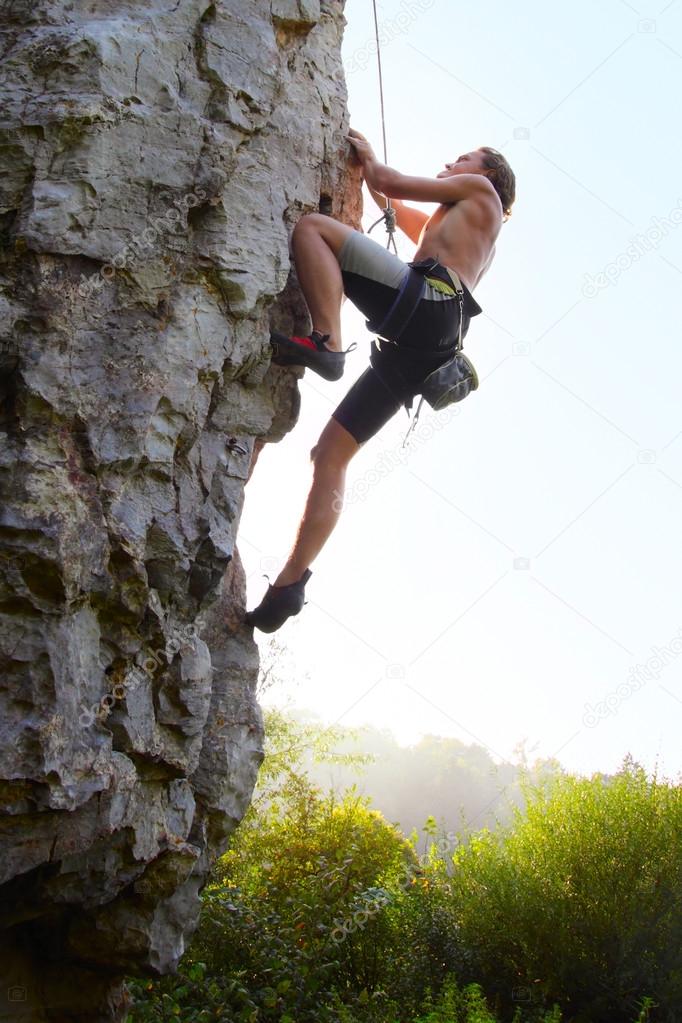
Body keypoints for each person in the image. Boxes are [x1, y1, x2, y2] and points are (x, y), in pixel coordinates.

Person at [245, 129, 516, 633]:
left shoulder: (482, 192)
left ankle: (327, 342)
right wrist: (375, 182)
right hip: (427, 344)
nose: (451, 162)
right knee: (329, 455)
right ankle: (290, 582)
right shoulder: (464, 222)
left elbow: (390, 181)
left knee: (313, 228)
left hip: (427, 306)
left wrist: (369, 156)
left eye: (463, 158)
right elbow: (392, 202)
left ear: (488, 173)